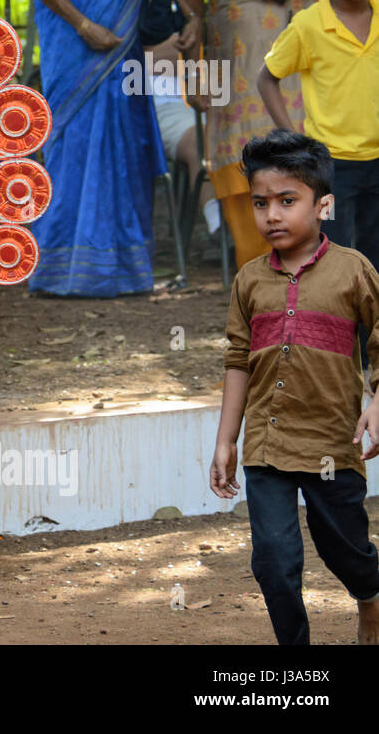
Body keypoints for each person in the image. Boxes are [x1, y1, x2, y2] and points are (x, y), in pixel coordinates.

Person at [209, 129, 379, 644]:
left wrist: (377, 402)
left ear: (323, 204)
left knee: (345, 550)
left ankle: (370, 600)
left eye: (288, 201)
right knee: (275, 564)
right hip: (266, 444)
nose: (272, 216)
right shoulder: (248, 280)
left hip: (332, 441)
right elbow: (238, 361)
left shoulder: (354, 272)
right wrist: (225, 439)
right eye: (261, 203)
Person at [23, 0, 198, 296]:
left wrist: (191, 19)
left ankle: (120, 270)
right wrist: (83, 24)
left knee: (126, 151)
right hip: (75, 54)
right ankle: (61, 268)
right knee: (73, 149)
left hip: (124, 55)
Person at [174, 0, 321, 268]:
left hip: (291, 59)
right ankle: (257, 274)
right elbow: (191, 10)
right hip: (228, 64)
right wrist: (194, 75)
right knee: (241, 163)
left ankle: (311, 270)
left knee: (294, 152)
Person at [258, 0, 379, 274]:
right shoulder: (308, 25)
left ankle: (369, 331)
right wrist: (292, 138)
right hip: (331, 164)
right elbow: (267, 77)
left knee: (375, 257)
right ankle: (331, 330)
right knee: (333, 258)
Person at [146, 32, 222, 242]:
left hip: (199, 104)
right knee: (200, 140)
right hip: (151, 106)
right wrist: (167, 50)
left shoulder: (188, 15)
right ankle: (219, 228)